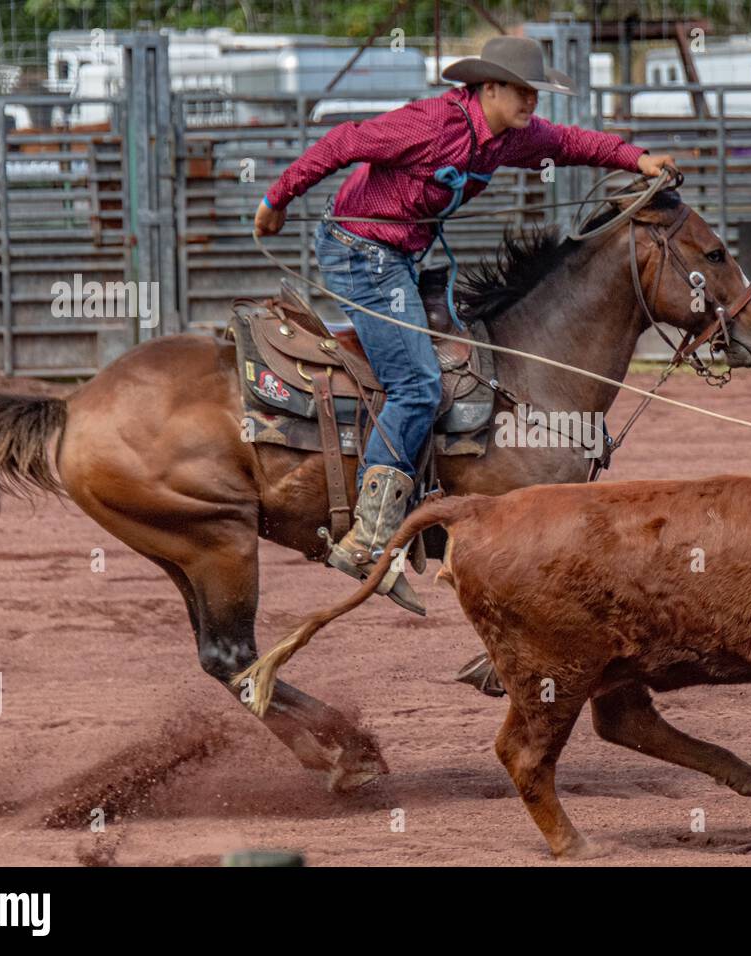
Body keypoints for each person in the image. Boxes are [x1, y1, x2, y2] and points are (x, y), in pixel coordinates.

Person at [255, 36, 676, 614]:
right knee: (417, 383)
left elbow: (572, 142)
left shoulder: (511, 136)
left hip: (400, 255)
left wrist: (636, 158)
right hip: (361, 250)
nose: (533, 102)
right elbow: (344, 141)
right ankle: (368, 535)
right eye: (524, 91)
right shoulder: (430, 124)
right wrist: (279, 197)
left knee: (457, 362)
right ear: (490, 88)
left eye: (537, 92)